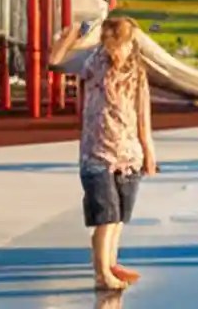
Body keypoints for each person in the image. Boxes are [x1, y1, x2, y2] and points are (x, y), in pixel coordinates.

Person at [49, 16, 157, 292]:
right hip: (96, 154)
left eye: (124, 45)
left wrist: (148, 151)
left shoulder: (137, 74)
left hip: (128, 154)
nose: (119, 52)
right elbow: (55, 62)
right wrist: (71, 36)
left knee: (119, 217)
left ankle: (111, 262)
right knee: (105, 217)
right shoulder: (93, 66)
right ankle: (102, 273)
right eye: (113, 46)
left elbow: (143, 115)